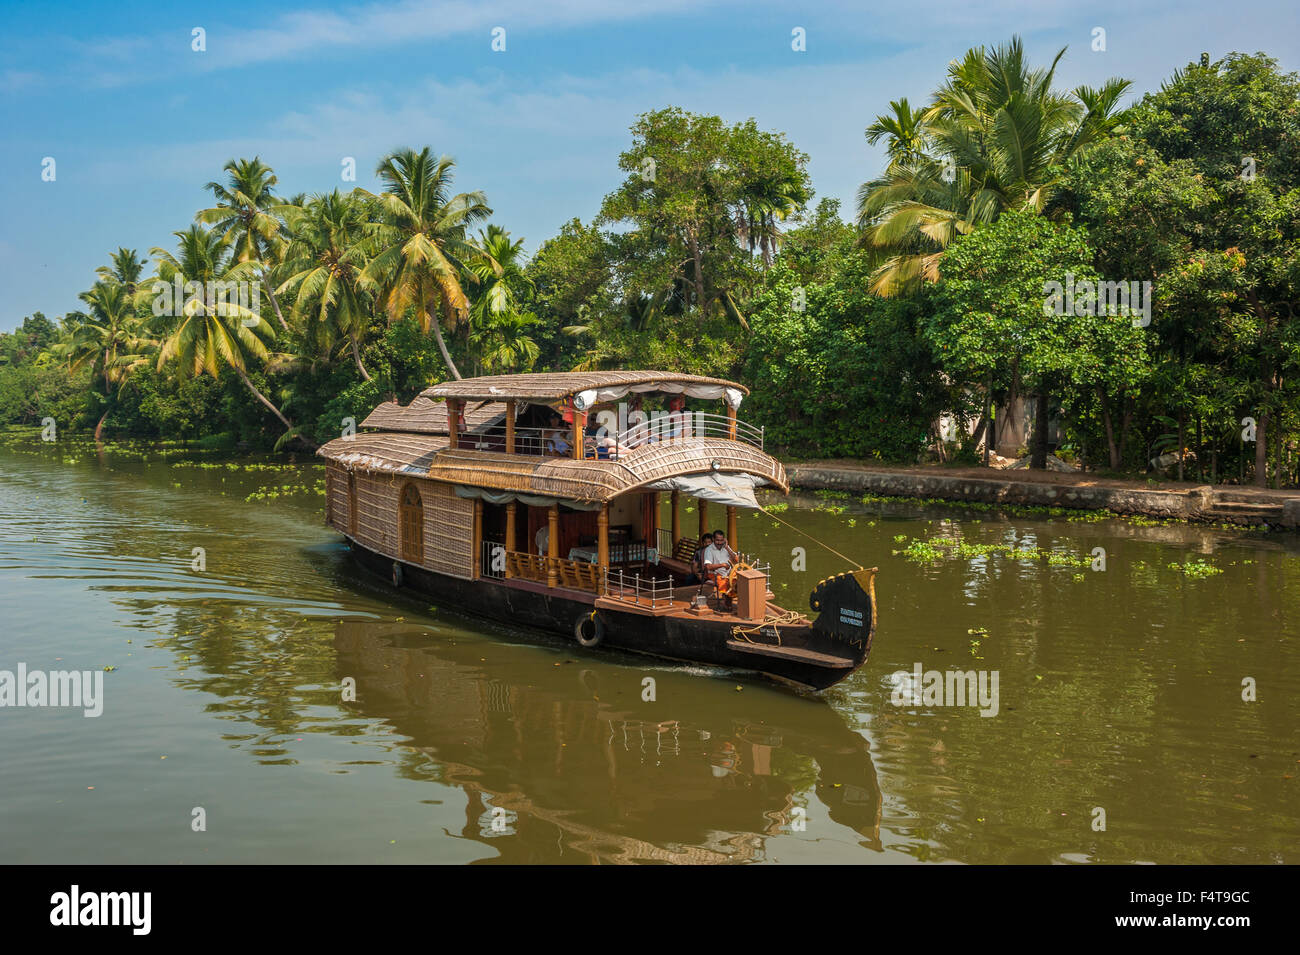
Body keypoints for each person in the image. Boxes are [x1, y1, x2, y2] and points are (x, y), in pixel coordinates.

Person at [700, 528, 738, 603]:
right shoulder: (709, 549)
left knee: (741, 581)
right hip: (715, 573)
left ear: (724, 539)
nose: (719, 543)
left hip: (730, 572)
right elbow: (708, 566)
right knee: (726, 584)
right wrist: (722, 565)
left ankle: (734, 599)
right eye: (717, 540)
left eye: (721, 540)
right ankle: (727, 602)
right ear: (713, 539)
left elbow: (736, 560)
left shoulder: (726, 547)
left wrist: (727, 548)